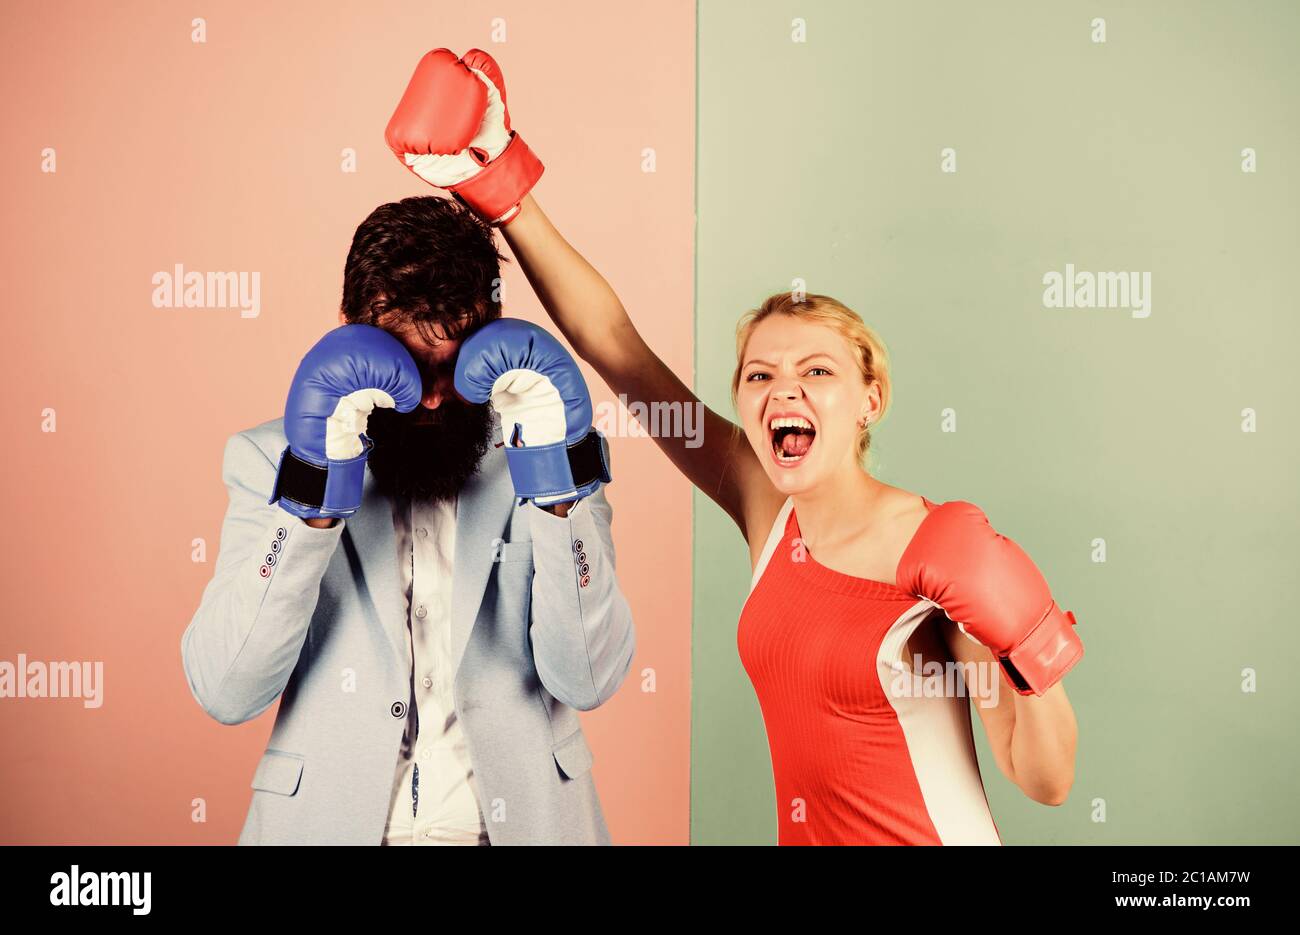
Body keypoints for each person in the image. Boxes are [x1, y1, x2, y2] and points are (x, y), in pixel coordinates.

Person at [386, 46, 1082, 845]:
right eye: (760, 375)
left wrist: (1032, 641)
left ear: (870, 399)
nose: (783, 389)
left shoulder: (936, 551)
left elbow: (1048, 778)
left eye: (816, 370)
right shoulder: (767, 510)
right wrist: (501, 186)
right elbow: (616, 347)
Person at [181, 188, 635, 846]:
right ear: (349, 334)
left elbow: (589, 676)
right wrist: (314, 487)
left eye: (452, 367)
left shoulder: (544, 442)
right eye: (404, 365)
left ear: (494, 338)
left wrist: (555, 480)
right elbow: (226, 687)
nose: (427, 398)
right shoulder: (267, 457)